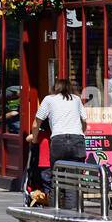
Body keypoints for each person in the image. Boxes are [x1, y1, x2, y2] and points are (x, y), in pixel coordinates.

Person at [27, 78, 87, 213]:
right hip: (77, 141)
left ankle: (55, 219)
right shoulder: (77, 100)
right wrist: (78, 133)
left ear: (55, 89)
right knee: (73, 181)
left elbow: (36, 123)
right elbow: (84, 122)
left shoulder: (49, 99)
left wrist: (35, 139)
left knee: (57, 180)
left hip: (58, 141)